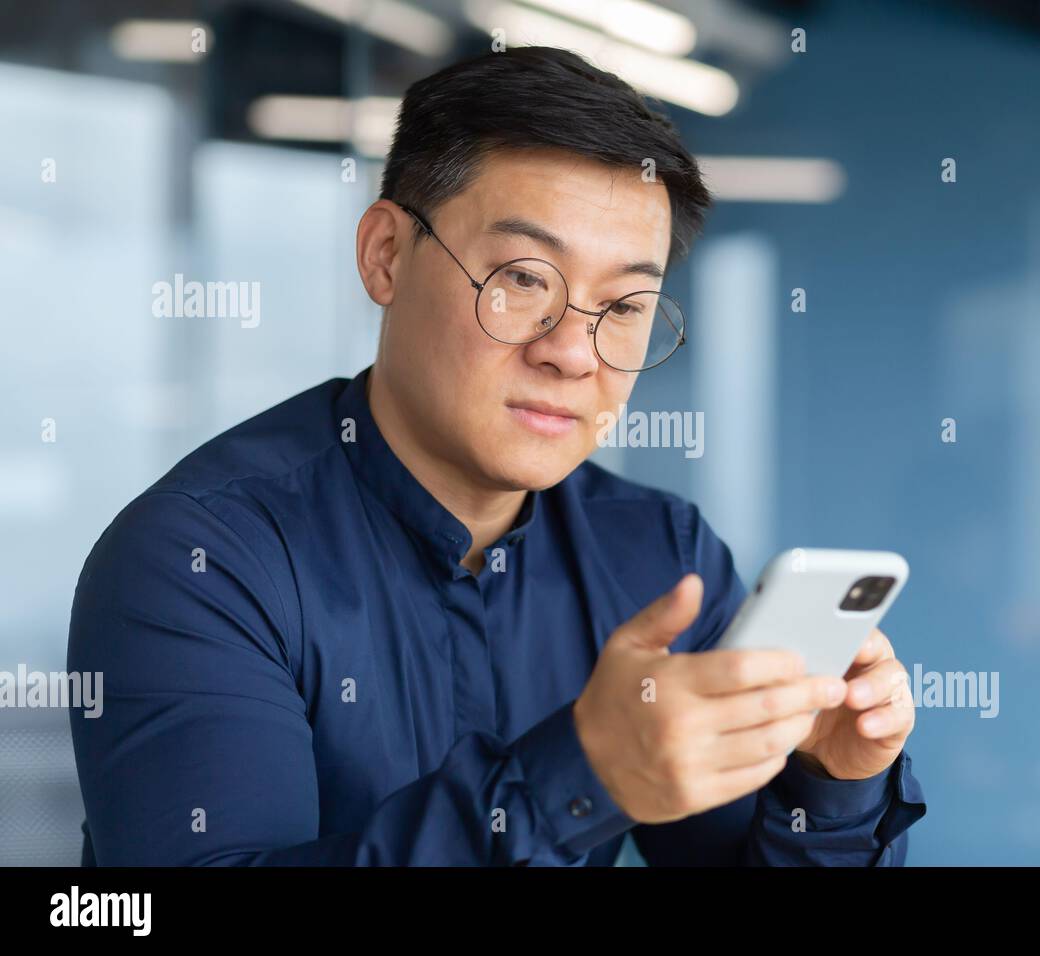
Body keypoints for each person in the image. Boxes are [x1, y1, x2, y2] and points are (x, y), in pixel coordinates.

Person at [67, 46, 926, 866]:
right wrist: (581, 774)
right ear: (385, 255)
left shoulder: (661, 560)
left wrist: (829, 785)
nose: (573, 353)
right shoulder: (201, 560)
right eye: (522, 277)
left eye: (625, 306)